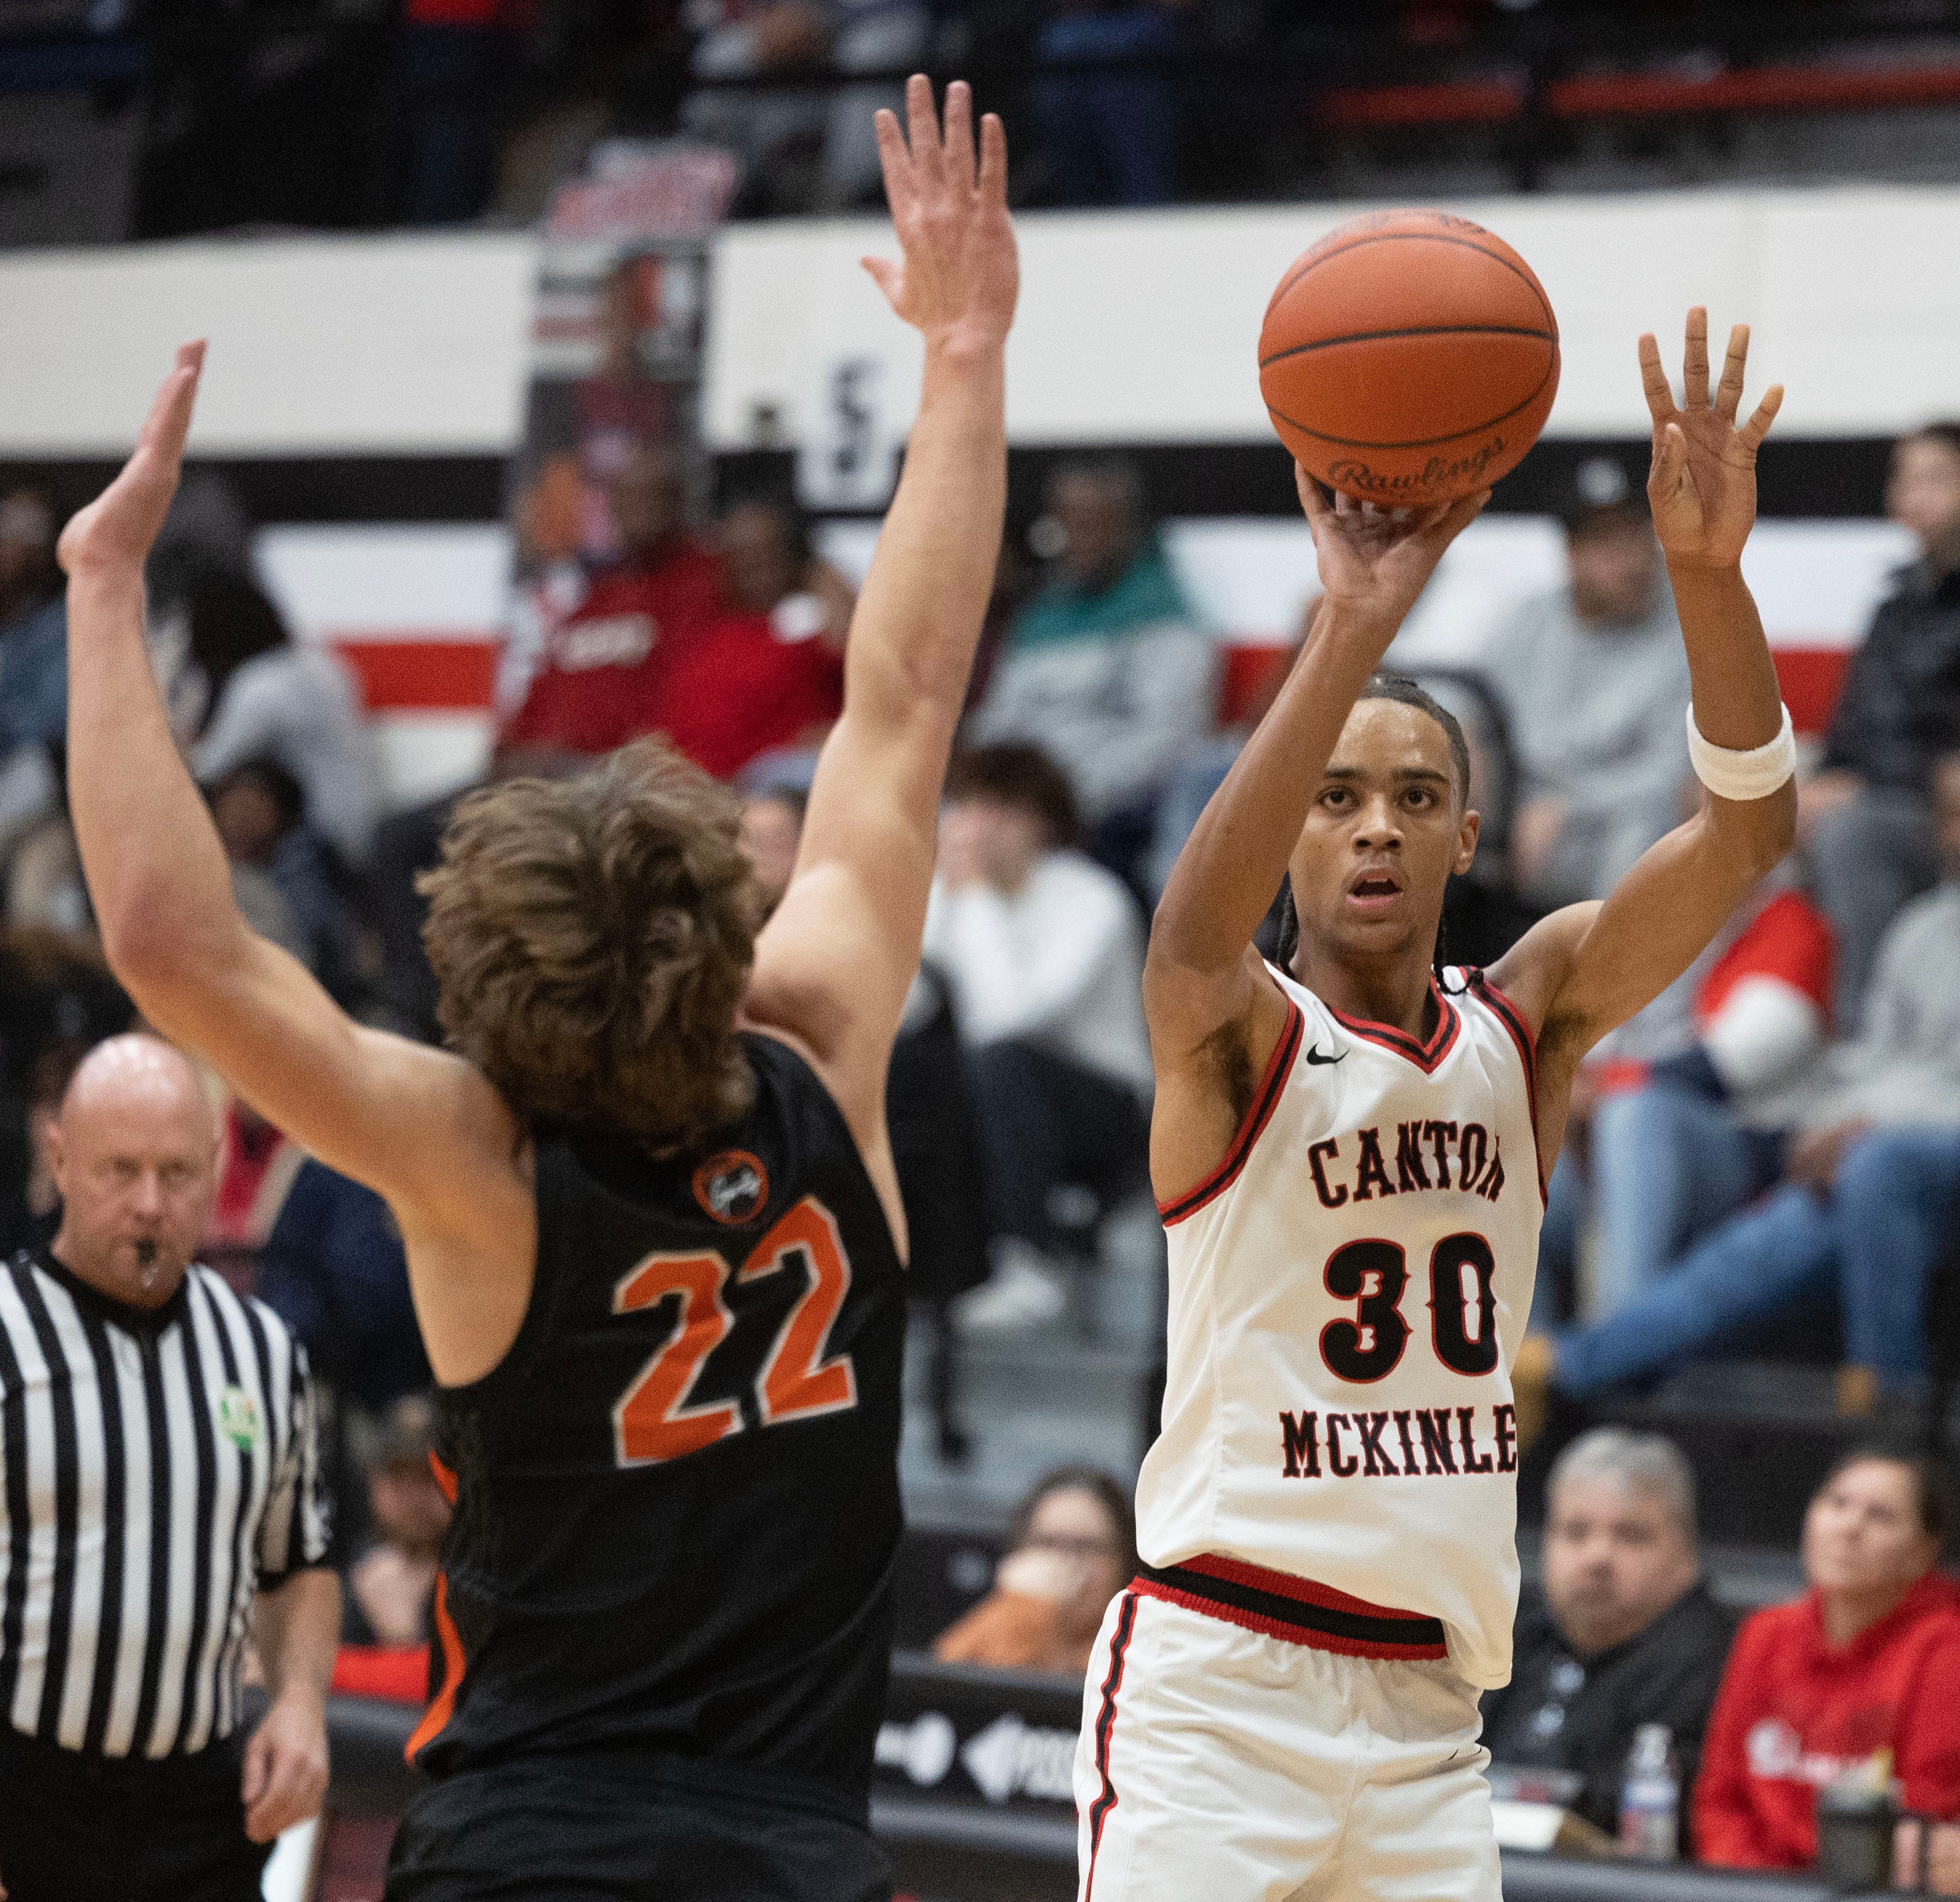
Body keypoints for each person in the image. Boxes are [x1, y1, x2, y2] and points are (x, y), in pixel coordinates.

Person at [58, 74, 1016, 1902]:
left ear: (480, 996)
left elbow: (173, 947)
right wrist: (961, 358)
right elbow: (901, 698)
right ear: (725, 925)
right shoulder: (818, 1035)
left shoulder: (469, 1153)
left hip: (523, 1847)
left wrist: (107, 588)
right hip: (794, 1854)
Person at [1079, 310, 1794, 1902]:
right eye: (1332, 795)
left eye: (1412, 794)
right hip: (1222, 1685)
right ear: (1289, 827)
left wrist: (1704, 576)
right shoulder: (1230, 1037)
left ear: (1467, 830)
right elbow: (1191, 932)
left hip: (1425, 1714)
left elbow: (1745, 837)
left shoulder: (1524, 1018)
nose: (1373, 826)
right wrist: (1349, 620)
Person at [0, 1034, 336, 1902]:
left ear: (218, 1162)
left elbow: (298, 1561)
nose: (149, 1203)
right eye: (120, 1169)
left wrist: (300, 1701)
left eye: (177, 1172)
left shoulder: (262, 1349)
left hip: (200, 1803)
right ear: (59, 1157)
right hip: (25, 1791)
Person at [1522, 749, 1960, 1411]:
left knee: (1645, 1111)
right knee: (1525, 1144)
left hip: (1779, 1141)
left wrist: (1865, 1124)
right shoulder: (1923, 926)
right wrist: (1840, 1122)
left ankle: (1890, 1402)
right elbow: (1870, 1061)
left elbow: (1718, 1071)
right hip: (1831, 1147)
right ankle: (1539, 1370)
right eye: (1951, 816)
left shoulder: (1795, 926)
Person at [923, 744, 1151, 1332]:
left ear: (1040, 822)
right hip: (994, 1094)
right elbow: (910, 1010)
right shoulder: (943, 895)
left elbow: (1007, 1016)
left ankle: (1032, 1258)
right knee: (911, 1067)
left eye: (997, 810)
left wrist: (971, 895)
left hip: (1109, 1110)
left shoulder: (1091, 897)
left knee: (1001, 1062)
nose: (974, 826)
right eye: (967, 806)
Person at [1541, 872, 1832, 1324]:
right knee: (1516, 1158)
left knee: (1636, 1114)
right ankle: (1517, 1374)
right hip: (1638, 1149)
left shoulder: (1789, 923)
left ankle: (1615, 1349)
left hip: (1754, 1156)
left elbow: (1723, 1070)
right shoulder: (1685, 930)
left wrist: (1600, 1087)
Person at [1695, 1448, 1960, 1871]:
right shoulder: (1765, 1632)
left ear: (1924, 1552)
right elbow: (1721, 1799)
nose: (1849, 1526)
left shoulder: (1946, 1651)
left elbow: (1922, 1821)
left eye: (1881, 1516)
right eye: (1837, 1503)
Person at [1482, 1428, 1735, 1845]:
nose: (1597, 1557)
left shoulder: (1722, 1662)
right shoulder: (1506, 1632)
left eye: (1631, 1536)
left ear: (1686, 1550)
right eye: (1575, 1532)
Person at [969, 457, 1214, 863]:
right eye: (1068, 520)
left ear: (1129, 526)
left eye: (1095, 521)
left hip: (1109, 810)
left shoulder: (1164, 614)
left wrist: (1064, 797)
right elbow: (1000, 717)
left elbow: (1168, 739)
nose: (1078, 536)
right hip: (1020, 802)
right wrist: (984, 781)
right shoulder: (1040, 614)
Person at [1480, 457, 1692, 909]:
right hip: (1516, 820)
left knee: (1647, 832)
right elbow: (1474, 721)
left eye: (1638, 534)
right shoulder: (1528, 622)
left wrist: (1566, 810)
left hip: (1608, 828)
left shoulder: (1688, 631)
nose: (1632, 559)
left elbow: (1673, 775)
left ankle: (1629, 980)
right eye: (1607, 542)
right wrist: (1495, 809)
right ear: (1572, 553)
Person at [1803, 422, 1960, 1025]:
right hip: (1872, 794)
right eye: (1906, 478)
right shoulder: (1896, 605)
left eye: (1936, 478)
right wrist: (1816, 782)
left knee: (1850, 834)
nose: (1915, 495)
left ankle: (1862, 1042)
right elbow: (1851, 725)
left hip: (1923, 811)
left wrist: (1861, 787)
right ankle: (1738, 1026)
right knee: (1733, 809)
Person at [934, 1467, 1139, 1678]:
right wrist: (1024, 1608)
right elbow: (947, 1671)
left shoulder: (1138, 1648)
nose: (1065, 1563)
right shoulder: (1006, 1611)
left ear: (1124, 1560)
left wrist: (1032, 1610)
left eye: (1086, 1547)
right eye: (1047, 1543)